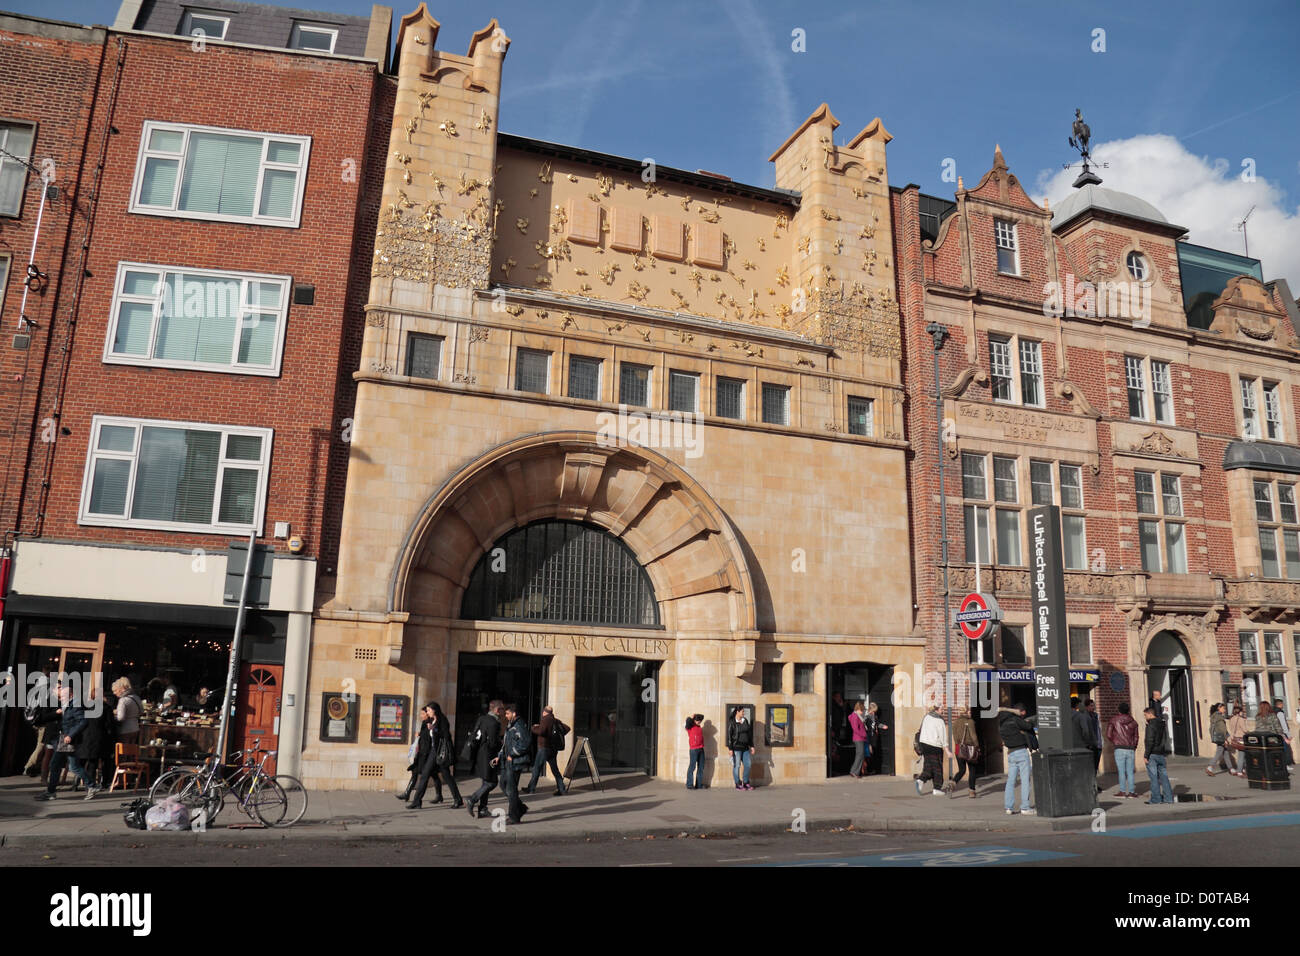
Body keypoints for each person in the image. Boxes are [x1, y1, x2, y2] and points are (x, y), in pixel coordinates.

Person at [35, 686, 92, 801]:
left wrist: (70, 735)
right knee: (69, 765)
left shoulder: (75, 704)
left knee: (63, 765)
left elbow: (83, 721)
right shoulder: (69, 704)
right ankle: (51, 791)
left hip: (67, 738)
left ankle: (92, 785)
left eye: (63, 695)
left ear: (70, 695)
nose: (61, 698)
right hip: (64, 738)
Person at [409, 702, 462, 809]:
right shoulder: (430, 720)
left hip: (440, 752)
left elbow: (446, 736)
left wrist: (434, 729)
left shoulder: (442, 720)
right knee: (425, 775)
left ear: (435, 710)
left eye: (429, 710)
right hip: (433, 751)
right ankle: (417, 801)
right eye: (427, 711)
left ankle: (458, 799)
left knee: (447, 777)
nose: (427, 712)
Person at [492, 702, 531, 824]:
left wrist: (512, 754)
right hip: (507, 761)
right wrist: (499, 756)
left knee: (511, 789)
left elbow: (525, 744)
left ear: (514, 713)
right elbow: (506, 743)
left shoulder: (519, 725)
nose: (506, 715)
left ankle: (514, 817)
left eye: (508, 713)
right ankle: (521, 807)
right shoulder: (511, 724)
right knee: (503, 785)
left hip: (515, 762)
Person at [466, 700, 504, 819]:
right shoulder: (494, 723)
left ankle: (483, 809)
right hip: (489, 756)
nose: (503, 712)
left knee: (485, 781)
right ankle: (473, 799)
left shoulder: (482, 718)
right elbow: (493, 743)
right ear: (497, 710)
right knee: (492, 782)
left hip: (481, 753)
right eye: (502, 709)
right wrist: (501, 743)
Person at [998, 701, 1036, 815]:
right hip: (1021, 752)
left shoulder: (1002, 724)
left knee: (1010, 781)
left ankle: (1008, 807)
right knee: (1025, 780)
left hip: (1010, 753)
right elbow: (1029, 726)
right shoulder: (1015, 720)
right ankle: (1025, 807)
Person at [22, 674, 59, 778]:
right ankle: (28, 766)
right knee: (41, 745)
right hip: (43, 722)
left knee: (41, 745)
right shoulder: (48, 690)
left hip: (34, 720)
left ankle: (34, 767)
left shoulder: (35, 689)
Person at [526, 704, 568, 796]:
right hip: (553, 749)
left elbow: (541, 731)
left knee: (537, 768)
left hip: (544, 748)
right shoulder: (555, 720)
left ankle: (531, 788)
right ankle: (562, 789)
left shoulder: (545, 719)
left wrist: (534, 728)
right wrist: (555, 736)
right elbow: (567, 728)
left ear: (544, 712)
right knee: (555, 770)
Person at [398, 705, 433, 803]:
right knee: (417, 772)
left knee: (426, 775)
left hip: (426, 754)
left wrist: (420, 734)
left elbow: (428, 738)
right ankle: (407, 793)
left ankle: (412, 796)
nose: (421, 715)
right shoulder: (424, 723)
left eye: (423, 713)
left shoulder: (430, 723)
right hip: (421, 752)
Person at [1106, 701, 1140, 797]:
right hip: (1130, 748)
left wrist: (1116, 742)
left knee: (1121, 771)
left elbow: (1108, 735)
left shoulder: (1114, 720)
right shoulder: (1133, 722)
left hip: (1119, 748)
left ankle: (1122, 791)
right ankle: (1132, 792)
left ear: (1119, 710)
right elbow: (1136, 737)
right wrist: (1134, 746)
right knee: (1130, 771)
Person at [1142, 704, 1173, 804]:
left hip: (1152, 754)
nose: (1145, 717)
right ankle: (1169, 798)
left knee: (1154, 777)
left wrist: (1146, 755)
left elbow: (1150, 740)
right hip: (1161, 753)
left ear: (1150, 714)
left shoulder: (1151, 726)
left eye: (1145, 715)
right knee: (1164, 776)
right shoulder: (1162, 724)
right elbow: (1165, 738)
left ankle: (1156, 798)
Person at [915, 704, 947, 796]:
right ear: (937, 709)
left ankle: (921, 780)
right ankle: (936, 789)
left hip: (924, 744)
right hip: (935, 746)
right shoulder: (939, 720)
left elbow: (921, 730)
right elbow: (943, 736)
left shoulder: (927, 717)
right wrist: (947, 749)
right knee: (938, 767)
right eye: (941, 709)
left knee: (928, 765)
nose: (943, 710)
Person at [949, 708, 981, 798]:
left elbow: (955, 737)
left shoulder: (955, 722)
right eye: (969, 711)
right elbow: (973, 736)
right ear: (965, 712)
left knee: (962, 770)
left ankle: (953, 782)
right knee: (972, 770)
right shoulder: (970, 722)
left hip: (959, 749)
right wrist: (977, 746)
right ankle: (972, 791)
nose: (971, 713)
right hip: (969, 749)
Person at [726, 706, 755, 790]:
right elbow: (729, 737)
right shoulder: (732, 722)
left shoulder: (745, 720)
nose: (743, 713)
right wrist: (730, 749)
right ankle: (738, 783)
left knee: (748, 765)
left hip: (745, 748)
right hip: (736, 748)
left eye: (743, 712)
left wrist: (752, 746)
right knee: (737, 765)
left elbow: (749, 735)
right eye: (742, 711)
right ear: (737, 712)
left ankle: (746, 782)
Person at [1206, 702, 1233, 777]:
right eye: (1223, 708)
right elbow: (1222, 729)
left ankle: (1231, 768)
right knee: (1219, 752)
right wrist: (1225, 739)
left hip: (1219, 737)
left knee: (1226, 752)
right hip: (1221, 738)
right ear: (1219, 708)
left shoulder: (1215, 716)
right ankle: (1210, 767)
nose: (1224, 710)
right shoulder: (1219, 717)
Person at [1226, 704, 1249, 777]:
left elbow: (1231, 729)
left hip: (1235, 738)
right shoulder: (1240, 719)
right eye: (1242, 711)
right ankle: (1239, 771)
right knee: (1242, 755)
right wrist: (1249, 732)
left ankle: (1243, 769)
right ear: (1240, 712)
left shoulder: (1231, 719)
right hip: (1241, 738)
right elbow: (1244, 730)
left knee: (1242, 754)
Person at [864, 702, 888, 775]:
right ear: (870, 709)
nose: (874, 713)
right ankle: (868, 769)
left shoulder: (874, 716)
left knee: (874, 753)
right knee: (869, 753)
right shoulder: (867, 716)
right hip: (868, 736)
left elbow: (877, 724)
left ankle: (873, 769)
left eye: (875, 711)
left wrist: (883, 726)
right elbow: (865, 726)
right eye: (873, 711)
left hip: (874, 737)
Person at [847, 701, 869, 778]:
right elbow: (855, 729)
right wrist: (864, 734)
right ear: (858, 709)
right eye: (861, 710)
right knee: (860, 755)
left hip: (860, 738)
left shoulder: (858, 716)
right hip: (858, 738)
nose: (862, 711)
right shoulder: (855, 716)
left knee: (860, 755)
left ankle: (855, 771)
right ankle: (854, 772)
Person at [685, 714, 706, 789]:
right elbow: (687, 721)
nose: (698, 721)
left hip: (701, 748)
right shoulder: (690, 727)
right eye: (697, 720)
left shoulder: (699, 727)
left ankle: (699, 785)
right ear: (694, 720)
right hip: (693, 749)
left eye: (700, 720)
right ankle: (689, 785)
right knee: (692, 767)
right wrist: (691, 717)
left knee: (701, 767)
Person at [1273, 699, 1294, 771]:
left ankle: (1279, 764)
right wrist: (1288, 734)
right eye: (1282, 704)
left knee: (1279, 750)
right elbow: (1283, 724)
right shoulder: (1280, 713)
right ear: (1279, 704)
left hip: (1276, 734)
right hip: (1282, 733)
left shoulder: (1273, 712)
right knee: (1285, 750)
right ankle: (1285, 765)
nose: (1283, 705)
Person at [1084, 699, 1103, 772]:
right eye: (1091, 706)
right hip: (1090, 745)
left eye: (1093, 705)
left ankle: (1094, 782)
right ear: (1086, 707)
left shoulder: (1096, 716)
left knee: (1096, 766)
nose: (1093, 707)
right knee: (1089, 766)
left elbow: (1099, 729)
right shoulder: (1084, 716)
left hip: (1098, 744)